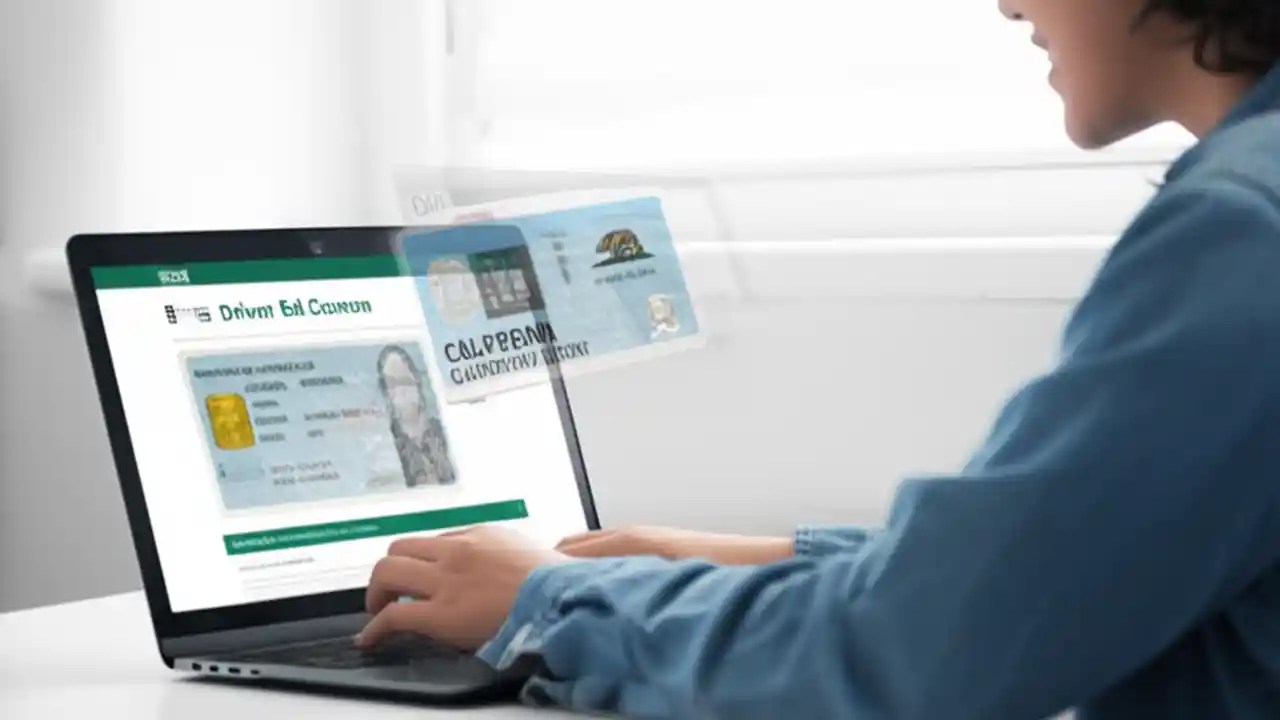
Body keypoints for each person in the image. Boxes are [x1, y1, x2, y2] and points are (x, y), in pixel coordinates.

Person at [356, 1, 1280, 717]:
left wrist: (554, 599)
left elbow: (921, 651)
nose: (1005, 4)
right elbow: (1056, 568)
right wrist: (751, 559)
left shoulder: (1239, 234)